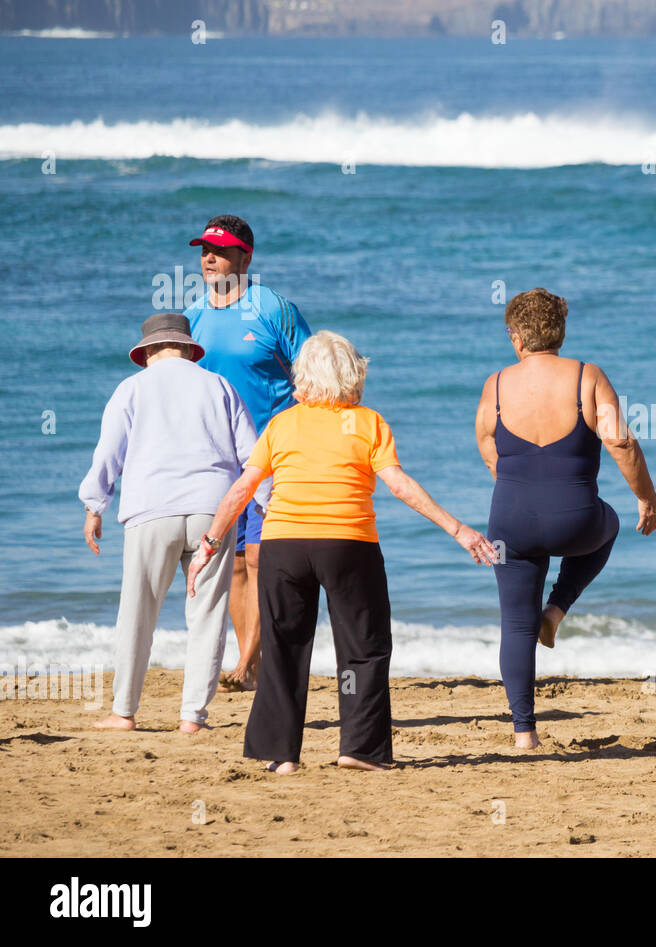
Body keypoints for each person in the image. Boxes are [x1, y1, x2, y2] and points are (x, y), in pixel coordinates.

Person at [187, 331, 496, 773]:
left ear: (304, 377)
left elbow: (243, 488)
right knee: (364, 648)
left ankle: (282, 756)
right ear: (353, 375)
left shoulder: (281, 424)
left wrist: (209, 545)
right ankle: (360, 750)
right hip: (348, 545)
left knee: (284, 648)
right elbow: (399, 486)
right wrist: (458, 529)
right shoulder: (369, 423)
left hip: (283, 545)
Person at [474, 288, 656, 749]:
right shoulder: (587, 377)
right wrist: (647, 498)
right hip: (575, 519)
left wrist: (522, 488)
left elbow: (488, 448)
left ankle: (524, 734)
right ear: (560, 331)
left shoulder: (495, 384)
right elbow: (621, 443)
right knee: (611, 523)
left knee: (514, 624)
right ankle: (556, 610)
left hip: (510, 519)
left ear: (515, 337)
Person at [80, 313, 260, 733]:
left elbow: (109, 454)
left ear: (146, 353)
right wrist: (265, 503)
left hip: (151, 511)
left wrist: (94, 505)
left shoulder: (131, 389)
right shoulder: (220, 386)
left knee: (138, 611)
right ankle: (192, 718)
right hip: (211, 511)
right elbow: (253, 457)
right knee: (207, 612)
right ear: (187, 348)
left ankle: (124, 712)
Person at [184, 214, 311, 691]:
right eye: (204, 250)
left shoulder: (272, 309)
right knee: (233, 563)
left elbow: (312, 371)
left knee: (261, 558)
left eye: (219, 250)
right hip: (217, 459)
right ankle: (250, 662)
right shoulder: (193, 317)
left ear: (246, 257)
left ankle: (249, 663)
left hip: (272, 455)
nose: (209, 258)